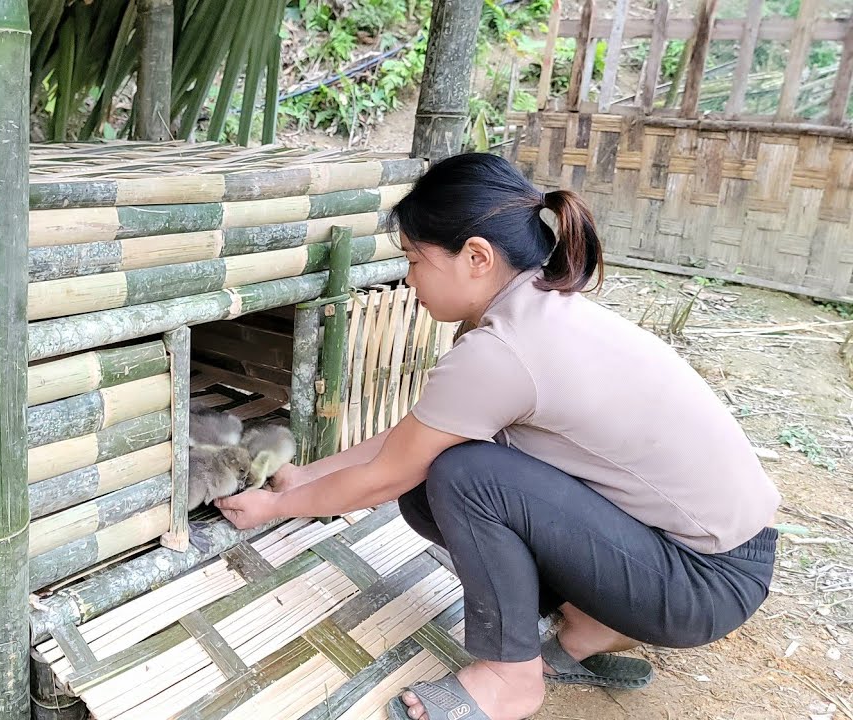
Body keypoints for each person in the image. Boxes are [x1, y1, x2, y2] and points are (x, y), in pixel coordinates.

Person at [213, 152, 781, 720]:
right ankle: (588, 628)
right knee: (438, 469)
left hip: (702, 583)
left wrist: (278, 506)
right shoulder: (541, 307)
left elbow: (386, 474)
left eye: (414, 260)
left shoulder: (504, 350)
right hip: (712, 556)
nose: (409, 279)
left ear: (477, 257)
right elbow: (416, 435)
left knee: (464, 477)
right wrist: (307, 475)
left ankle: (511, 680)